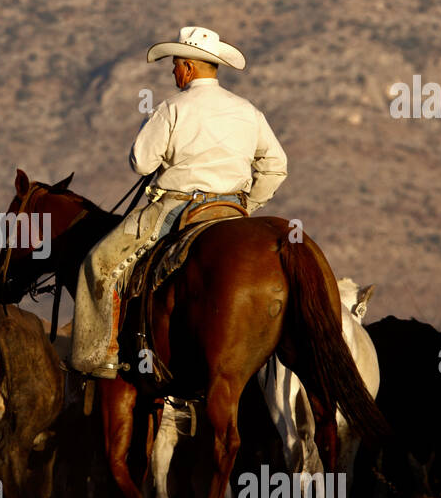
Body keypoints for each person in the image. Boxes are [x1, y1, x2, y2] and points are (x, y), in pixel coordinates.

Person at [70, 25, 288, 378]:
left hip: (176, 208)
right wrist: (249, 206)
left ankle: (100, 356)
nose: (173, 71)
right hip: (233, 210)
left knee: (99, 264)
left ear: (188, 68)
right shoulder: (248, 111)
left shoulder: (172, 107)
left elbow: (141, 163)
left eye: (175, 64)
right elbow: (277, 166)